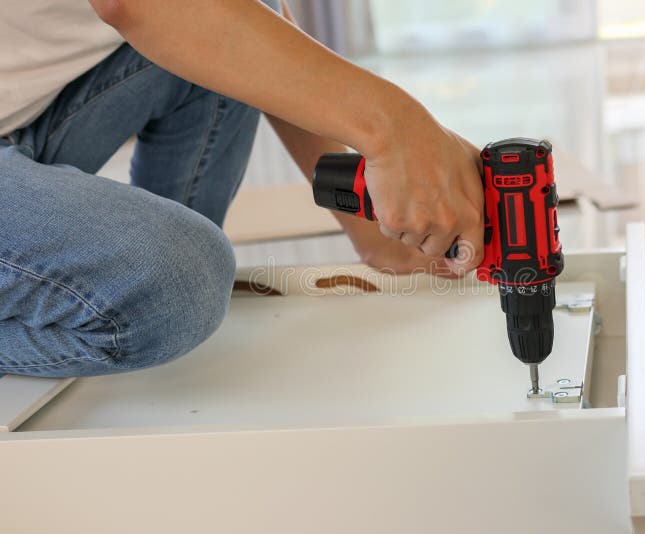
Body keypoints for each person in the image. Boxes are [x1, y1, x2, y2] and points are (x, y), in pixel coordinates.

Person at [0, 0, 485, 378]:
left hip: (24, 117)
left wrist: (369, 229)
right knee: (182, 282)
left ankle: (142, 319)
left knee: (236, 34)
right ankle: (152, 308)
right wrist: (396, 128)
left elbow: (253, 22)